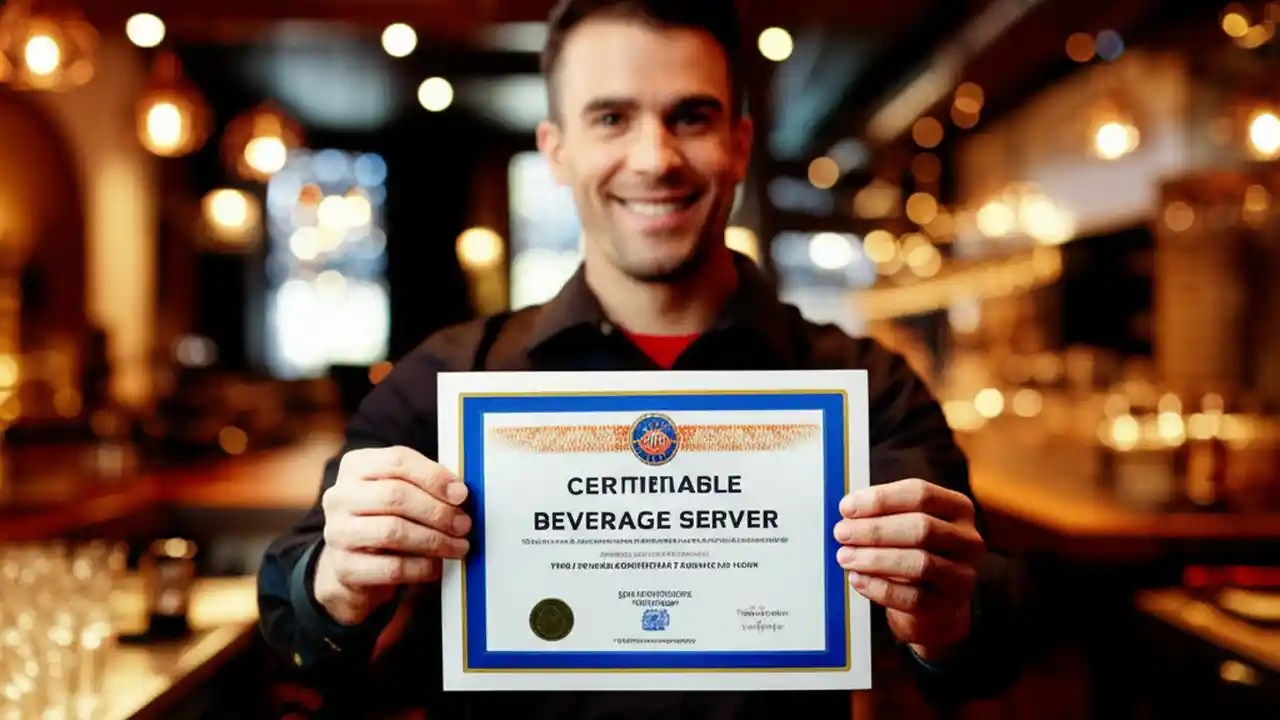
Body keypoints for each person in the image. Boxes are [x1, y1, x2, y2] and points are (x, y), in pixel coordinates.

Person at [257, 0, 1028, 716]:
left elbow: (988, 650)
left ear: (739, 143)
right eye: (611, 118)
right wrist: (336, 583)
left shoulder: (868, 387)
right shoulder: (445, 382)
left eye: (691, 116)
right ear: (556, 152)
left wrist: (950, 615)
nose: (655, 158)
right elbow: (299, 640)